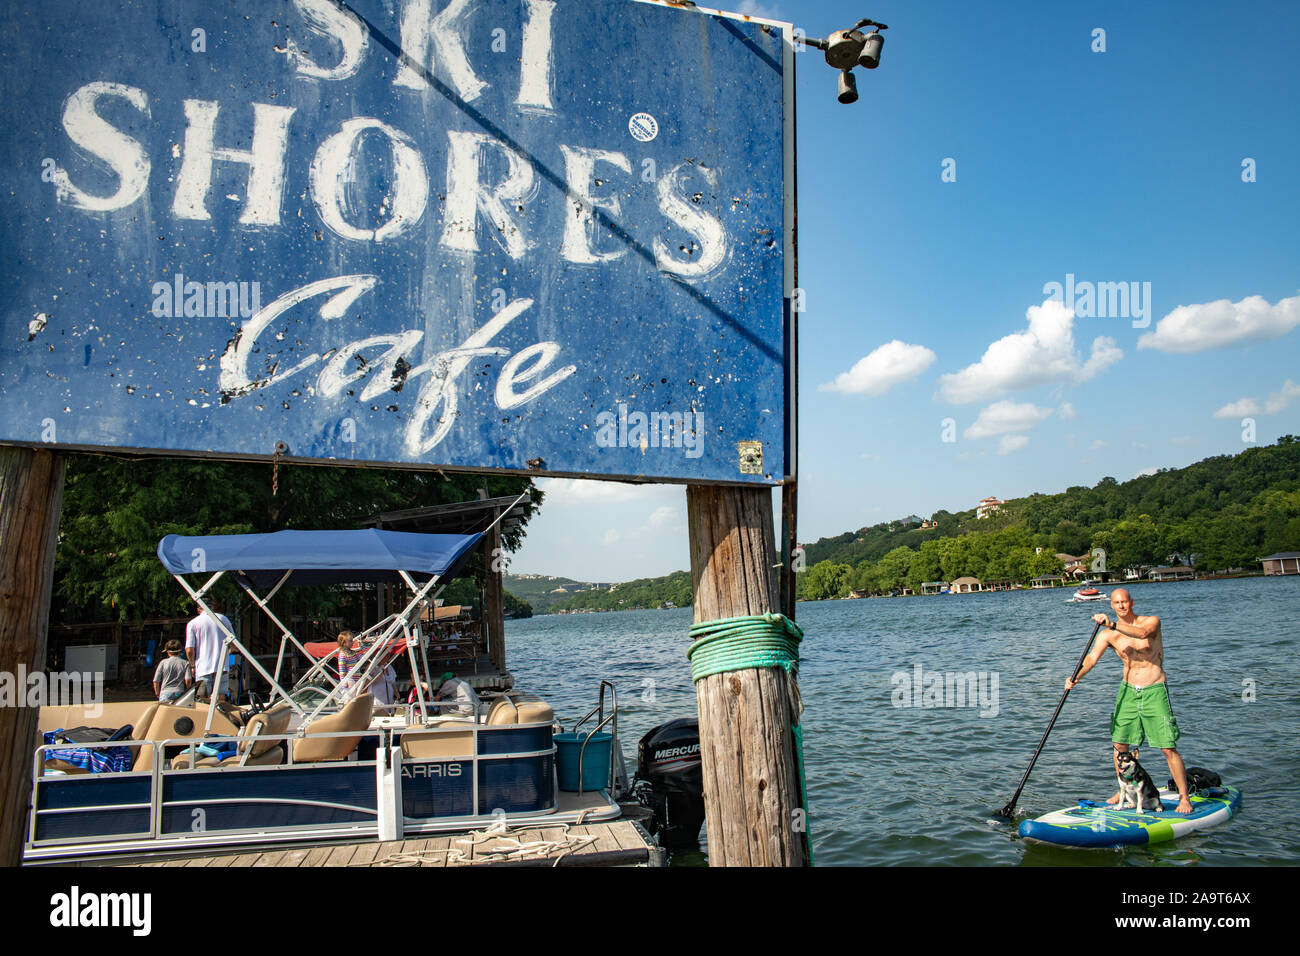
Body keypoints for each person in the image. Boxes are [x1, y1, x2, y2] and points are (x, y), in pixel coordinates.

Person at [1064, 588, 1193, 814]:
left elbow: (1142, 634)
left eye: (1125, 601)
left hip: (1154, 689)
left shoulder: (1151, 621)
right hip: (1128, 692)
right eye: (1117, 603)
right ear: (1112, 605)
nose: (1121, 606)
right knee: (1119, 744)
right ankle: (1122, 789)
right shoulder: (1107, 635)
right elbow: (1092, 659)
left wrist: (1112, 624)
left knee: (1167, 747)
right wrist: (1074, 677)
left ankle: (1184, 798)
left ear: (1131, 602)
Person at [185, 599, 232, 703]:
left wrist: (192, 665)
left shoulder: (193, 623)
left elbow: (189, 650)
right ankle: (220, 717)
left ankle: (206, 718)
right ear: (212, 607)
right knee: (221, 697)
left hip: (203, 667)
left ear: (198, 609)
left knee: (202, 698)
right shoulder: (223, 619)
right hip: (222, 666)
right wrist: (226, 656)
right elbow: (233, 644)